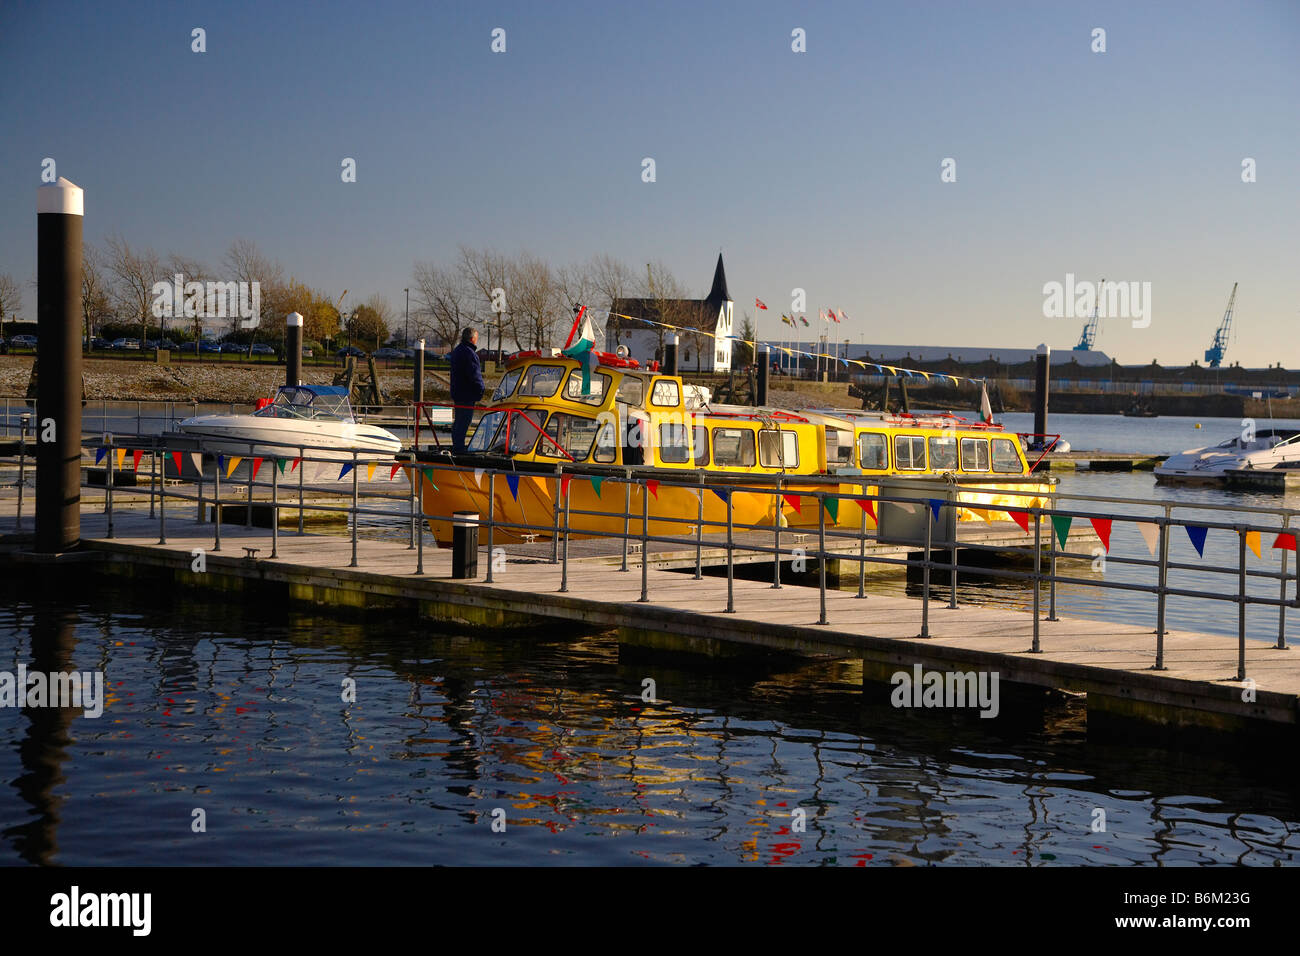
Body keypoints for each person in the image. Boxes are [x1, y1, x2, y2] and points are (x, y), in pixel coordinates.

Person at [449, 327, 485, 454]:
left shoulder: (457, 351)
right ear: (472, 338)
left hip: (457, 393)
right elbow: (475, 375)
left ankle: (457, 445)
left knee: (459, 421)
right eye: (477, 338)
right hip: (467, 394)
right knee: (464, 420)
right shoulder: (470, 353)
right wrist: (480, 390)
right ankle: (459, 448)